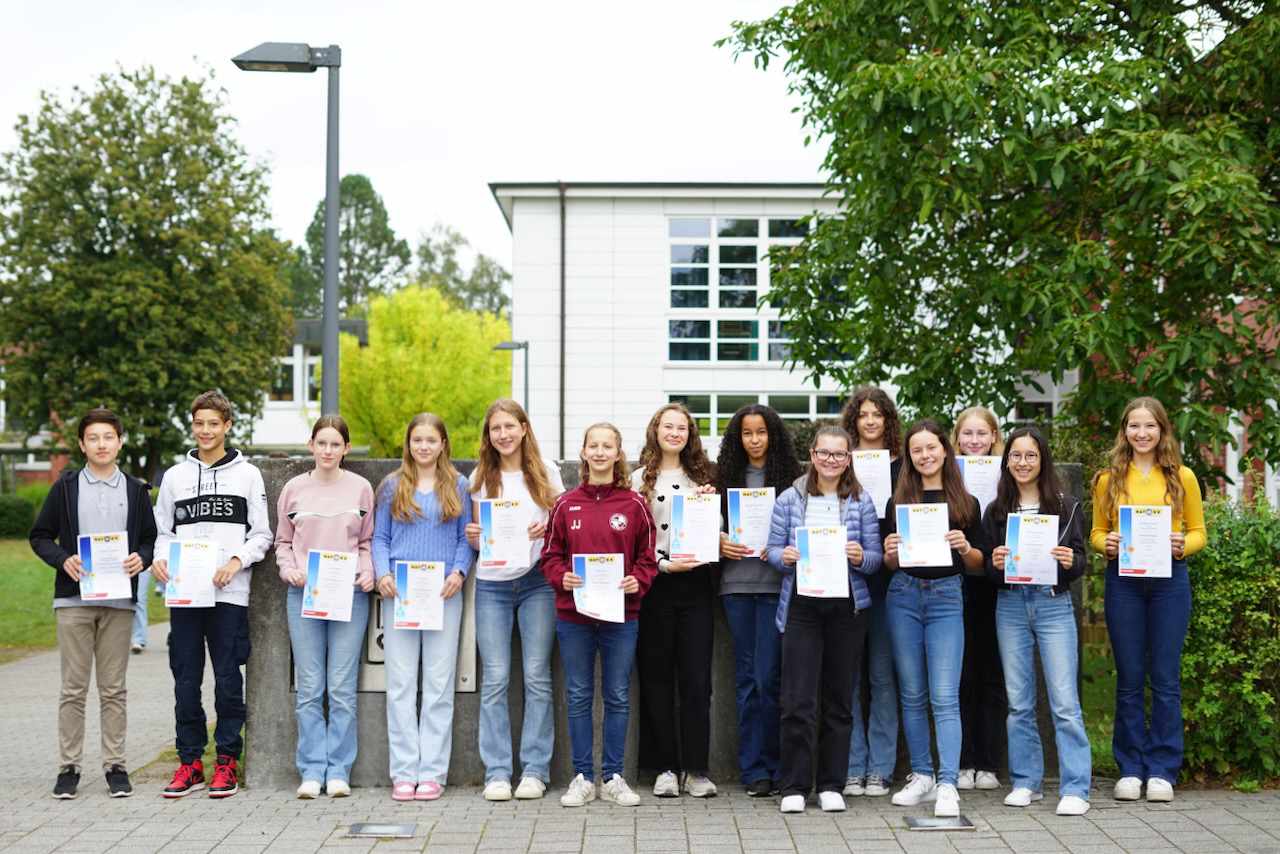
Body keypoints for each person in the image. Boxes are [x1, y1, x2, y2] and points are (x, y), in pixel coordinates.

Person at [30, 408, 157, 799]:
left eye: (108, 437)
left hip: (119, 602)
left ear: (120, 442)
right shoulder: (66, 487)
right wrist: (62, 558)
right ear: (83, 445)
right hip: (74, 601)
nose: (101, 444)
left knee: (113, 689)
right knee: (73, 687)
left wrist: (142, 558)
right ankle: (69, 767)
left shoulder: (136, 490)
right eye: (93, 438)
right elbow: (40, 536)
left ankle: (115, 766)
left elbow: (150, 540)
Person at [152, 391, 271, 799]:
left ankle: (226, 762)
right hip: (185, 596)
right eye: (199, 423)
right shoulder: (174, 477)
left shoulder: (248, 475)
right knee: (185, 682)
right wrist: (161, 562)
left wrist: (237, 560)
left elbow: (262, 534)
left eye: (213, 424)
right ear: (193, 425)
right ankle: (189, 764)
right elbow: (162, 534)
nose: (205, 431)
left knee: (226, 682)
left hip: (229, 595)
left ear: (227, 426)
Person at [1091, 397, 1205, 803]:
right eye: (1134, 426)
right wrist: (1108, 543)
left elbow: (1199, 533)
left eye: (1150, 426)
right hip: (1123, 581)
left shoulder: (1183, 477)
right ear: (1124, 431)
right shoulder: (1109, 479)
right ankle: (1131, 767)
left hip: (1169, 582)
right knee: (1130, 677)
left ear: (1163, 430)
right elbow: (1096, 533)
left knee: (1166, 678)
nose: (1142, 433)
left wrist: (1181, 545)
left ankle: (1162, 769)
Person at [766, 425, 881, 814]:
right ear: (812, 455)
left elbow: (875, 559)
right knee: (797, 700)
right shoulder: (788, 498)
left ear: (849, 459)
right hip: (801, 606)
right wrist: (786, 558)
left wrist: (858, 557)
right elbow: (772, 552)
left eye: (839, 454)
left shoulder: (861, 501)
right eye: (824, 453)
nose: (831, 460)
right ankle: (795, 785)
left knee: (838, 699)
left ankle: (831, 783)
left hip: (846, 608)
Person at [541, 422, 657, 808]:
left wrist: (636, 580)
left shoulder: (635, 504)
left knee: (618, 694)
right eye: (594, 445)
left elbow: (647, 558)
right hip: (574, 616)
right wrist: (563, 577)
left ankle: (612, 776)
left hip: (621, 616)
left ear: (618, 453)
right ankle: (581, 777)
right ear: (584, 452)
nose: (601, 452)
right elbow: (550, 556)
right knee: (577, 694)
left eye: (608, 446)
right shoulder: (565, 503)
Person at [982, 426, 1092, 816]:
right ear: (1006, 460)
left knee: (1064, 702)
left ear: (1042, 460)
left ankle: (1076, 786)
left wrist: (1068, 562)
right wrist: (995, 563)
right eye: (1015, 456)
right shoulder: (996, 510)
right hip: (1010, 605)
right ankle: (1027, 781)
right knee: (1019, 701)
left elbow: (1080, 561)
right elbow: (990, 571)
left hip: (1052, 605)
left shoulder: (1066, 505)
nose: (1023, 463)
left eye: (1030, 456)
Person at [883, 419, 985, 818]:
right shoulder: (898, 502)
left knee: (944, 696)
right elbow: (890, 564)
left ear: (945, 450)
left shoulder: (966, 502)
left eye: (931, 448)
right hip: (904, 596)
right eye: (917, 450)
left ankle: (947, 782)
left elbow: (978, 567)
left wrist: (965, 548)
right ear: (909, 457)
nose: (925, 455)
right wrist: (891, 552)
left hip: (946, 598)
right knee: (912, 694)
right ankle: (922, 775)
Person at [465, 399, 564, 801]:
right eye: (495, 429)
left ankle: (536, 771)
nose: (503, 435)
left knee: (538, 676)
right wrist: (475, 536)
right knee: (496, 679)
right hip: (491, 585)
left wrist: (549, 526)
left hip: (538, 581)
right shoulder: (479, 477)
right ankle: (498, 773)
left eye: (509, 426)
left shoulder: (546, 473)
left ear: (524, 428)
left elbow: (564, 526)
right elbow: (475, 534)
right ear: (489, 436)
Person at [373, 413, 473, 802]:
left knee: (437, 685)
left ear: (443, 443)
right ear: (408, 444)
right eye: (418, 440)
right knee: (399, 685)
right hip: (401, 594)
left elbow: (467, 538)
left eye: (432, 440)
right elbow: (380, 538)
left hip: (444, 593)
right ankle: (403, 772)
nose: (424, 446)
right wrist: (383, 575)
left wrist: (460, 572)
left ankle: (432, 772)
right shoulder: (392, 487)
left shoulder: (459, 486)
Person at [274, 415, 375, 799]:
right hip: (305, 595)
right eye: (322, 443)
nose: (329, 451)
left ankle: (339, 770)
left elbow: (366, 542)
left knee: (343, 688)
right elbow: (282, 542)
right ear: (311, 446)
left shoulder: (361, 489)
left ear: (346, 449)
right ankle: (312, 769)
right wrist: (290, 570)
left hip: (349, 594)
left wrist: (367, 572)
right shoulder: (294, 489)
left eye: (336, 444)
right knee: (310, 687)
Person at [633, 403, 718, 798]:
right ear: (656, 430)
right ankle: (664, 767)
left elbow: (717, 531)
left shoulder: (705, 477)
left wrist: (707, 505)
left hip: (697, 585)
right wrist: (663, 565)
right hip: (656, 584)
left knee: (698, 680)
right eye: (668, 426)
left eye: (681, 427)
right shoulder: (636, 480)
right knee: (657, 678)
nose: (674, 433)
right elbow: (634, 539)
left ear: (690, 434)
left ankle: (697, 769)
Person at [716, 404, 801, 797]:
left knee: (771, 679)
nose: (754, 440)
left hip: (775, 587)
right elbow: (701, 531)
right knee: (747, 680)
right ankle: (753, 771)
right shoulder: (722, 480)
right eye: (747, 433)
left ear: (773, 435)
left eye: (761, 433)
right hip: (736, 586)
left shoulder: (793, 481)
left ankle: (778, 764)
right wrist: (717, 540)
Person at [839, 386, 903, 798]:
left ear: (888, 420)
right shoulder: (840, 464)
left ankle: (879, 767)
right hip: (843, 577)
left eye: (878, 414)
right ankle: (851, 765)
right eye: (863, 414)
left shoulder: (904, 467)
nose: (870, 421)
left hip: (888, 579)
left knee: (882, 675)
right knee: (847, 678)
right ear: (854, 420)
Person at [951, 406, 1007, 791]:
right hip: (958, 583)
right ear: (957, 439)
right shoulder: (948, 477)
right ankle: (963, 760)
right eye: (967, 434)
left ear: (993, 438)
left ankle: (988, 762)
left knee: (991, 674)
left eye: (981, 434)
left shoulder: (1008, 477)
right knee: (960, 675)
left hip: (996, 584)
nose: (974, 441)